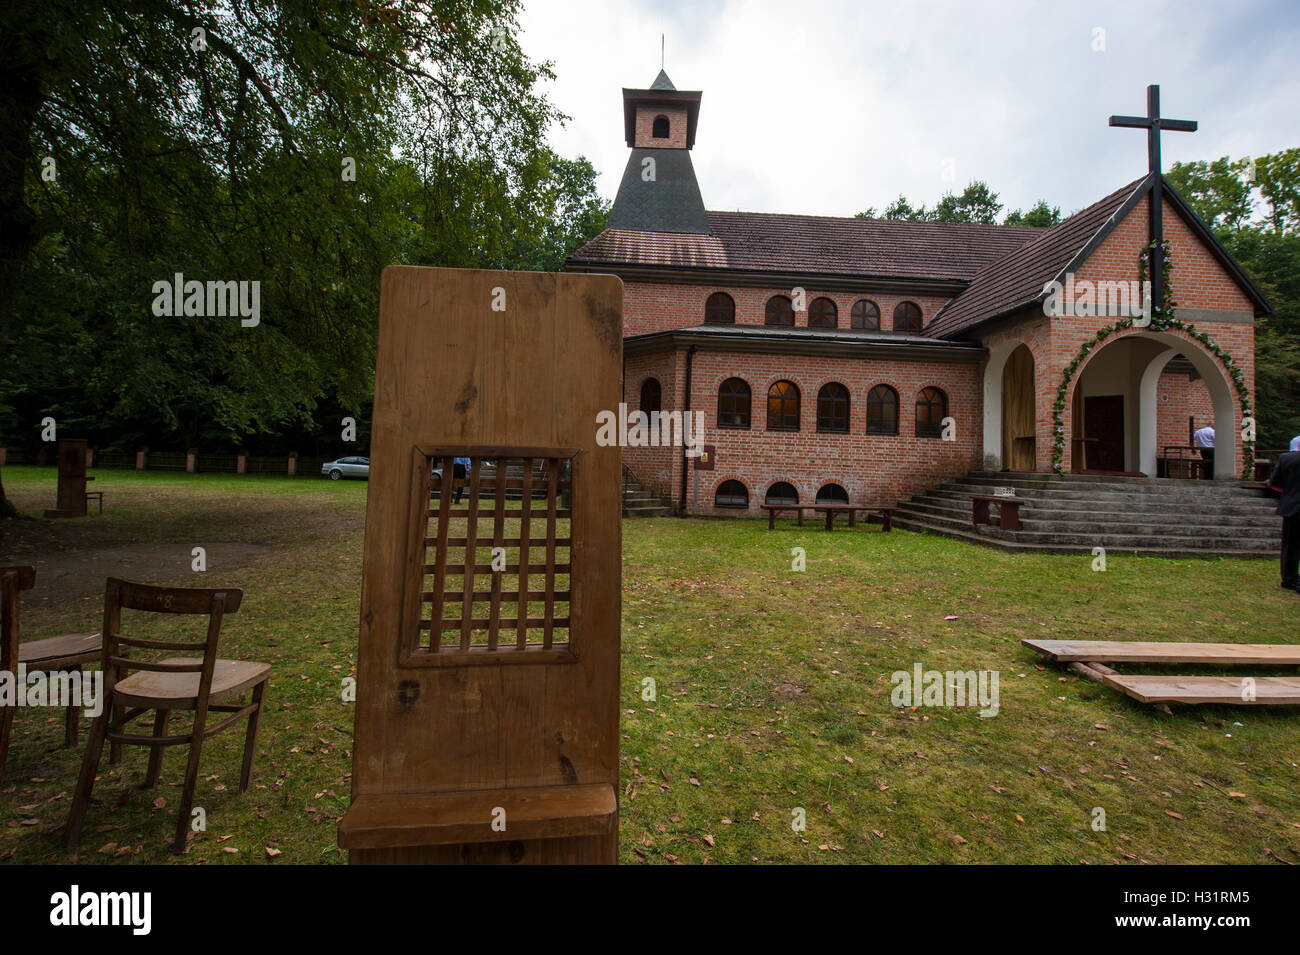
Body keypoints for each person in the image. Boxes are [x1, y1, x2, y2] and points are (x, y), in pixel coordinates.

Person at [1269, 449, 1300, 594]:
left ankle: (1289, 578)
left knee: (1290, 545)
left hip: (1292, 507)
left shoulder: (1286, 459)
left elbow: (1275, 482)